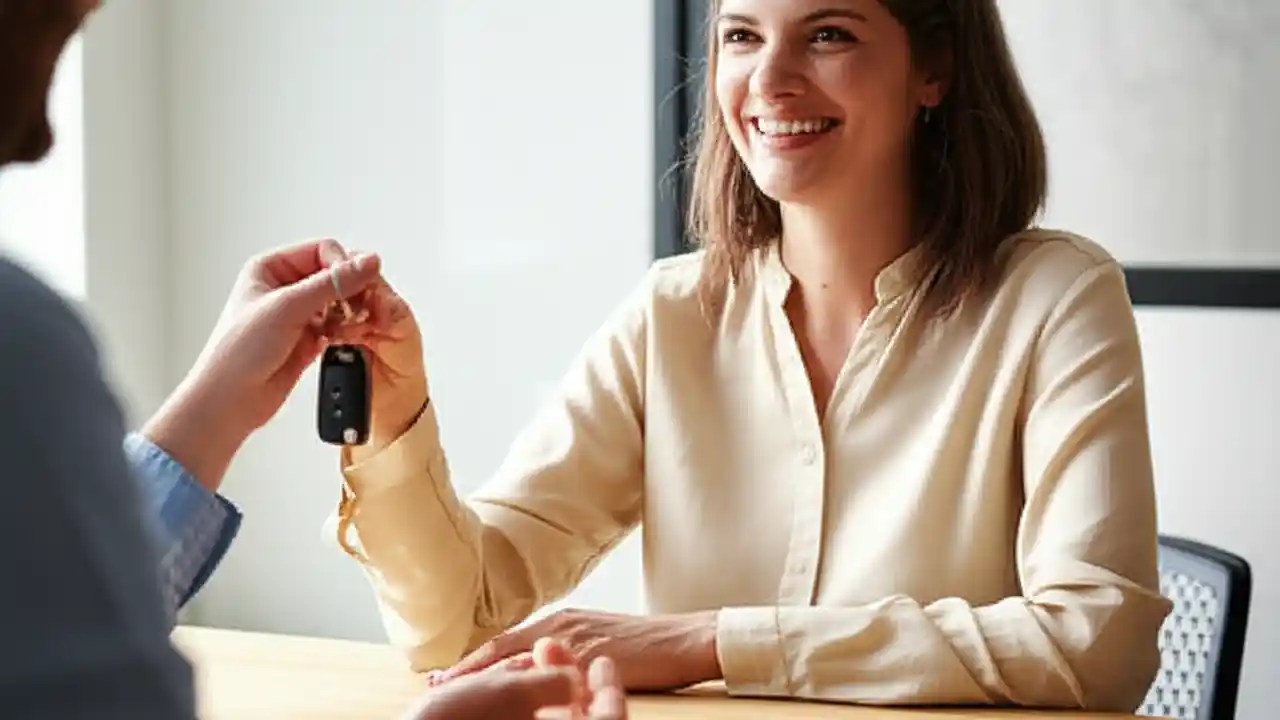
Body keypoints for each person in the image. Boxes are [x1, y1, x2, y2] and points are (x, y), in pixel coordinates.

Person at [327, 0, 1172, 712]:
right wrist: (395, 414)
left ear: (934, 69)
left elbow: (1097, 642)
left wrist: (709, 641)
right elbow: (455, 625)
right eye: (742, 36)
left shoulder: (1058, 297)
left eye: (829, 34)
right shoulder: (671, 314)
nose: (770, 79)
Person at [0, 0, 626, 717]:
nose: (46, 140)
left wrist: (222, 397)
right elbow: (458, 623)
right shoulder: (21, 344)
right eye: (52, 37)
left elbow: (74, 602)